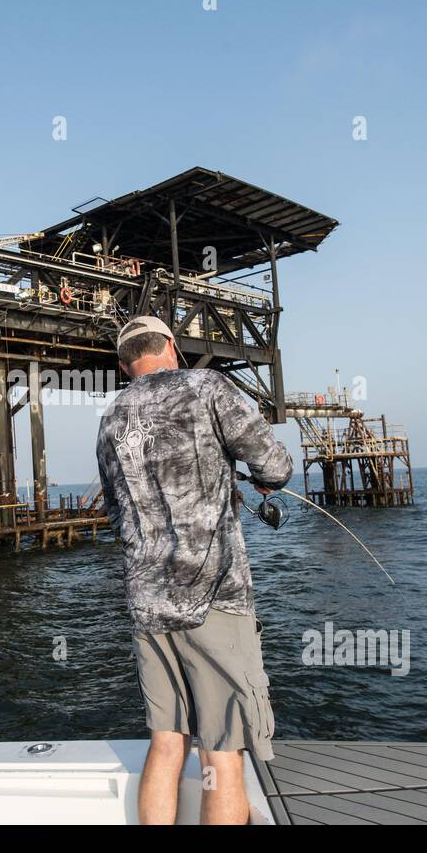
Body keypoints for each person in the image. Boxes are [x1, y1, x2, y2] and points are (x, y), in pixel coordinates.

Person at [96, 315, 293, 825]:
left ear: (124, 363)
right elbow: (272, 464)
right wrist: (261, 480)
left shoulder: (112, 415)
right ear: (171, 347)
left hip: (147, 604)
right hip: (214, 598)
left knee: (167, 741)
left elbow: (116, 513)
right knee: (222, 753)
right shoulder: (206, 385)